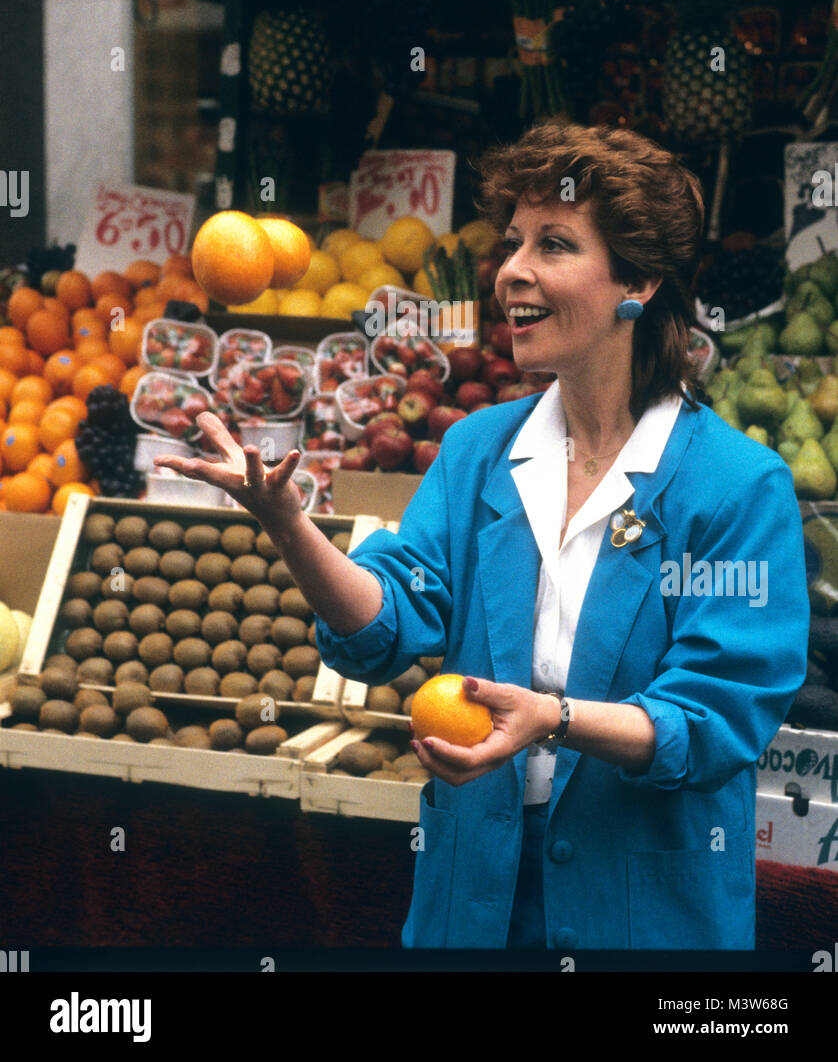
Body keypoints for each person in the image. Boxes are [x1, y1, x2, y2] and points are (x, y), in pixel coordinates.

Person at [156, 120, 810, 952]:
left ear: (639, 280)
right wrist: (289, 527)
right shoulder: (479, 451)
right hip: (473, 899)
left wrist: (553, 717)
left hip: (646, 915)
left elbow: (715, 720)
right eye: (512, 244)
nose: (511, 273)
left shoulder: (737, 486)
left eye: (555, 245)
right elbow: (387, 623)